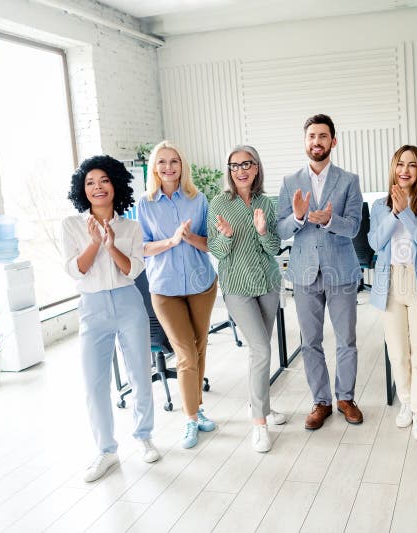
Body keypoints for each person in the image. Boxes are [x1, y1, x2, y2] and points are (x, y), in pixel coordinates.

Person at [62, 155, 160, 483]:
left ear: (115, 184)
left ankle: (144, 436)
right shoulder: (71, 225)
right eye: (90, 182)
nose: (98, 187)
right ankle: (105, 450)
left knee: (139, 374)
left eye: (103, 180)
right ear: (82, 190)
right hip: (92, 307)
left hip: (128, 302)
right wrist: (94, 243)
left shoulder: (130, 226)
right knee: (93, 383)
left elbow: (133, 269)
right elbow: (76, 270)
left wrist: (111, 244)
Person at [276, 114, 364, 430]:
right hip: (303, 273)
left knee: (346, 340)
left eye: (323, 136)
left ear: (333, 141)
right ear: (305, 141)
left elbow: (354, 227)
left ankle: (346, 398)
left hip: (340, 271)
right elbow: (280, 229)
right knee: (310, 341)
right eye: (312, 136)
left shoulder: (350, 180)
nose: (317, 142)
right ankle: (321, 401)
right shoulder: (289, 182)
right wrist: (298, 217)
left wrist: (329, 220)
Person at [137, 140, 218, 450]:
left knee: (199, 348)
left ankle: (196, 410)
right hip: (165, 289)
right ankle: (189, 420)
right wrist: (171, 242)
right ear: (154, 168)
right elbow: (142, 248)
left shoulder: (198, 200)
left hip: (201, 285)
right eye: (162, 162)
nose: (168, 167)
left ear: (182, 166)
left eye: (174, 161)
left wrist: (190, 237)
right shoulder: (145, 204)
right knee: (185, 354)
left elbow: (212, 244)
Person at [208, 145, 287, 452]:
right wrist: (226, 236)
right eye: (234, 165)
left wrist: (264, 230)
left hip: (267, 284)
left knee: (259, 353)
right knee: (261, 348)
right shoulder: (218, 203)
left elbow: (274, 248)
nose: (240, 170)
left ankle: (262, 406)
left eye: (246, 164)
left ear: (256, 168)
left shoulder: (267, 203)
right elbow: (214, 250)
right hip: (238, 287)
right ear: (230, 171)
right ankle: (259, 424)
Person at [368, 145, 417, 440]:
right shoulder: (380, 207)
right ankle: (407, 403)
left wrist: (408, 214)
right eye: (400, 164)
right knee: (398, 352)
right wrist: (395, 214)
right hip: (390, 281)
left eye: (411, 165)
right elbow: (374, 243)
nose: (405, 170)